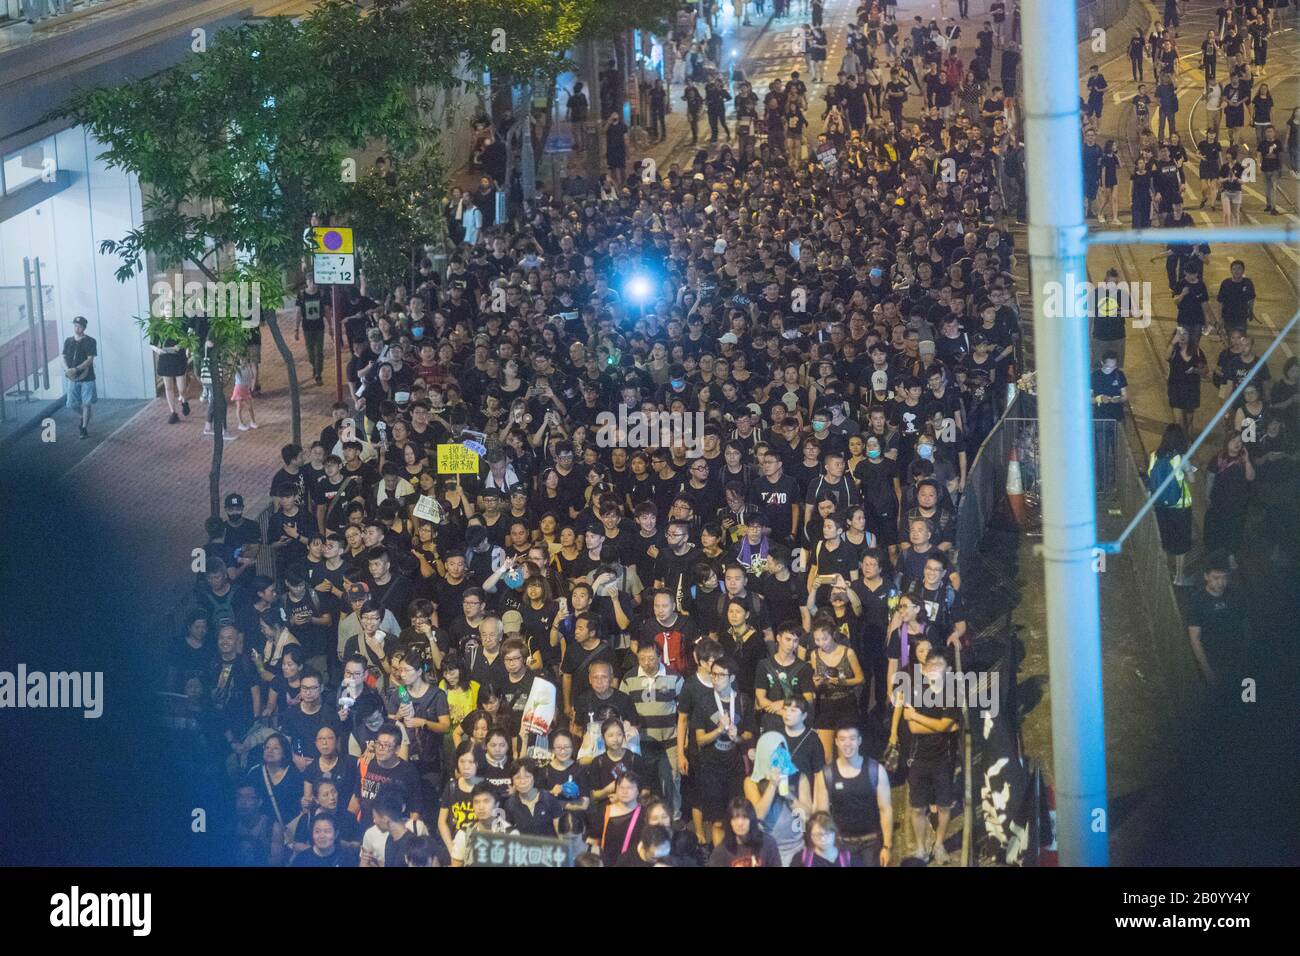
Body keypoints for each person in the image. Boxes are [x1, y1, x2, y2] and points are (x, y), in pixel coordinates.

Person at [813, 724, 892, 866]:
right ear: (836, 741)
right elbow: (823, 816)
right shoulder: (826, 774)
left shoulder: (875, 770)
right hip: (841, 843)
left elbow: (885, 809)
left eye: (852, 738)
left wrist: (887, 846)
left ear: (859, 741)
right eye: (842, 739)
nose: (847, 744)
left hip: (872, 843)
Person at [743, 731, 813, 865]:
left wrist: (787, 793)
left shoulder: (800, 778)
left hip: (797, 849)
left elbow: (808, 816)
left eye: (782, 751)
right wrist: (773, 785)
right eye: (774, 753)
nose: (779, 758)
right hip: (766, 850)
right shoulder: (751, 782)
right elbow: (758, 815)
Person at [1186, 556, 1248, 691]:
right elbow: (1194, 638)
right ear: (1206, 577)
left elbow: (1244, 622)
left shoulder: (1235, 594)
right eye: (1216, 578)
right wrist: (1207, 671)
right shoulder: (1197, 601)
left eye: (1224, 578)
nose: (1220, 582)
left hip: (1237, 658)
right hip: (1215, 661)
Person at [707, 797, 782, 866]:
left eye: (745, 817)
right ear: (730, 822)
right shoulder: (721, 852)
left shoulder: (768, 843)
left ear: (752, 820)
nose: (740, 823)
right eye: (735, 818)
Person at [62, 315, 97, 439]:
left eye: (79, 327)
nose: (77, 329)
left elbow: (90, 360)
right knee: (71, 404)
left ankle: (83, 428)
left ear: (84, 328)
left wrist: (76, 369)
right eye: (75, 326)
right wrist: (68, 370)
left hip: (87, 378)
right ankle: (83, 416)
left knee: (86, 403)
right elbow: (64, 357)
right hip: (73, 378)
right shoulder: (68, 341)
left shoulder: (90, 341)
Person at [790, 810, 856, 866]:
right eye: (817, 835)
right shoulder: (801, 859)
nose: (823, 839)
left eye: (827, 833)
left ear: (834, 833)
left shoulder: (850, 859)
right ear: (810, 836)